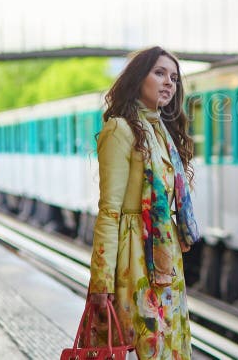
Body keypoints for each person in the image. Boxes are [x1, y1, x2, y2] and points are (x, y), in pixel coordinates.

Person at [88, 46, 195, 360]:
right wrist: (102, 281)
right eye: (159, 73)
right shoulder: (119, 130)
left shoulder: (163, 133)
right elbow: (110, 210)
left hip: (166, 259)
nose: (168, 83)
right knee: (144, 344)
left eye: (173, 77)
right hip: (134, 258)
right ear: (138, 78)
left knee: (169, 347)